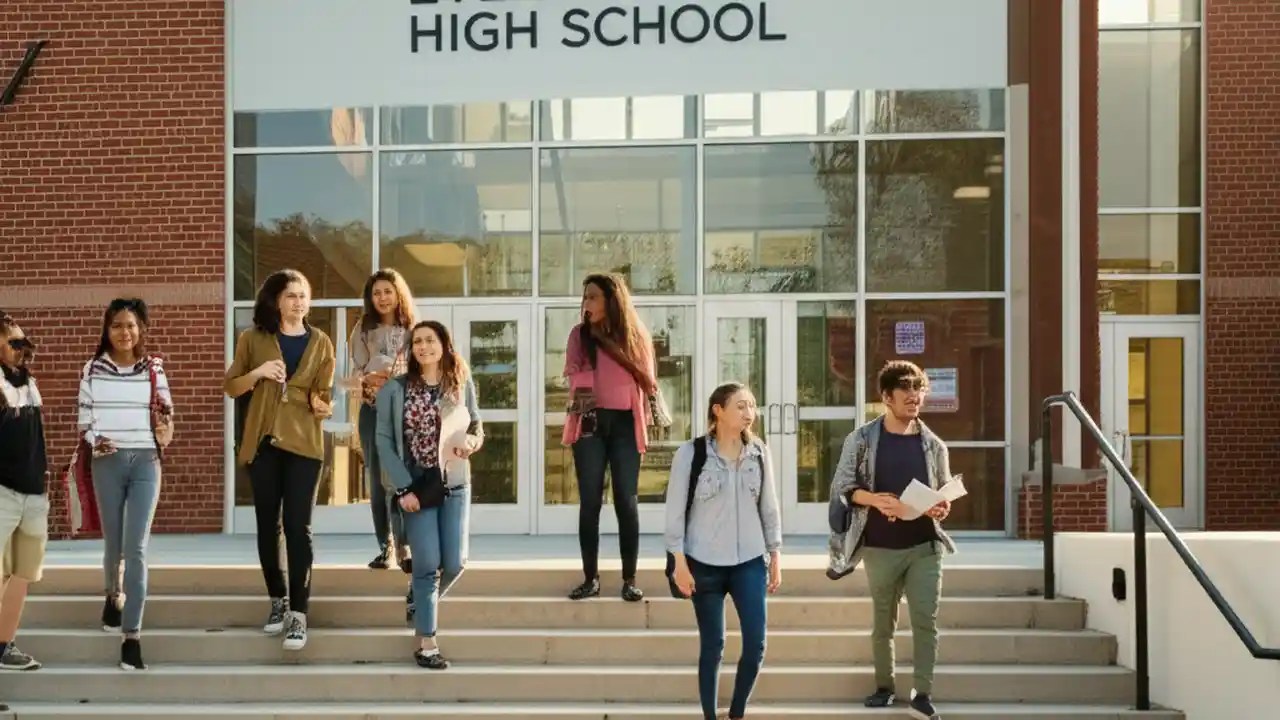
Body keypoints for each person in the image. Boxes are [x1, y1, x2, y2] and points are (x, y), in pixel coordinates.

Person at [827, 361, 957, 720]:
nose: (915, 396)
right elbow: (842, 488)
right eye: (906, 390)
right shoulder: (863, 440)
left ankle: (922, 693)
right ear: (887, 397)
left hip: (924, 547)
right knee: (883, 622)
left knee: (925, 619)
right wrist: (874, 499)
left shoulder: (934, 445)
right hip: (879, 546)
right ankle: (884, 687)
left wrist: (940, 508)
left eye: (919, 389)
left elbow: (942, 492)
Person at [224, 269, 335, 652]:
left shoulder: (321, 342)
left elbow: (323, 397)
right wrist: (257, 372)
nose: (299, 302)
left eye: (303, 295)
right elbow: (231, 386)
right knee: (267, 525)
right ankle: (278, 600)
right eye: (291, 296)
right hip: (265, 444)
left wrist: (323, 406)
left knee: (298, 527)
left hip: (305, 446)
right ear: (275, 300)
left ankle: (299, 616)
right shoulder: (252, 339)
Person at [665, 382, 782, 720]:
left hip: (749, 561)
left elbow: (769, 508)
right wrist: (679, 563)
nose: (750, 413)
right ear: (718, 411)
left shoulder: (759, 451)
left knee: (756, 645)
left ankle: (737, 713)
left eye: (752, 406)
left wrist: (775, 554)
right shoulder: (691, 454)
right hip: (703, 564)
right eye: (741, 406)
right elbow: (674, 512)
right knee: (713, 646)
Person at [375, 320, 483, 669]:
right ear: (411, 349)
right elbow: (384, 442)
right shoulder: (395, 389)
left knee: (454, 563)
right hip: (417, 486)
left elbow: (476, 427)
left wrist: (471, 442)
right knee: (425, 565)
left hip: (454, 482)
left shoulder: (460, 384)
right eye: (417, 341)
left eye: (430, 340)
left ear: (444, 345)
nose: (424, 346)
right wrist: (403, 487)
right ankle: (427, 643)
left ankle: (419, 601)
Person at [77, 298, 174, 670]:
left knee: (135, 549)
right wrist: (95, 441)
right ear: (107, 329)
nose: (124, 332)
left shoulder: (154, 368)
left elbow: (167, 414)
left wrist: (166, 429)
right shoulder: (91, 370)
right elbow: (84, 423)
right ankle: (111, 595)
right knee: (113, 544)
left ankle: (131, 637)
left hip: (146, 462)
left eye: (131, 325)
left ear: (141, 330)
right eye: (117, 325)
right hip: (108, 462)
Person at [561, 273, 657, 602]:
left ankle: (629, 579)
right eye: (584, 297)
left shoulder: (635, 334)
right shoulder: (580, 335)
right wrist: (589, 418)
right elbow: (576, 375)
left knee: (626, 502)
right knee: (590, 502)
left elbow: (647, 382)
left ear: (611, 300)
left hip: (626, 422)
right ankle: (591, 579)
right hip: (590, 417)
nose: (586, 303)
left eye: (593, 297)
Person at [348, 269, 416, 572]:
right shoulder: (362, 329)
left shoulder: (413, 329)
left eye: (388, 291)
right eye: (376, 293)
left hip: (406, 413)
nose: (382, 298)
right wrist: (369, 378)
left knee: (402, 477)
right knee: (377, 480)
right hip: (373, 411)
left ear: (398, 293)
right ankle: (384, 546)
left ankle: (406, 546)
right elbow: (358, 372)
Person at [0, 311, 48, 678]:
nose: (22, 348)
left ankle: (5, 645)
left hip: (33, 494)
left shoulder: (28, 383)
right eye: (14, 342)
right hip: (3, 493)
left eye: (22, 340)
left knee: (22, 575)